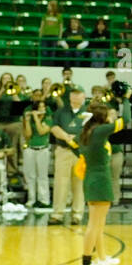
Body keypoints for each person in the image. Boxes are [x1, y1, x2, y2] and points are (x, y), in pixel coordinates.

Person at [76, 104, 122, 265]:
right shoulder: (99, 131)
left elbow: (74, 145)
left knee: (98, 224)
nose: (112, 117)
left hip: (92, 177)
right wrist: (125, 100)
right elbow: (126, 122)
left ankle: (102, 258)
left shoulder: (86, 133)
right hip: (100, 179)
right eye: (109, 114)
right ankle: (86, 263)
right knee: (94, 225)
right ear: (102, 118)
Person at [48, 85, 86, 224]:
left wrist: (76, 138)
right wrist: (66, 137)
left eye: (79, 94)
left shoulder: (88, 112)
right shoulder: (61, 112)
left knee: (79, 184)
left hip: (80, 152)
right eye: (73, 94)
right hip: (63, 150)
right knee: (60, 183)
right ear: (70, 96)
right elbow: (54, 128)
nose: (76, 97)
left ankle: (77, 215)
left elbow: (90, 130)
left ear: (83, 96)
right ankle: (57, 214)